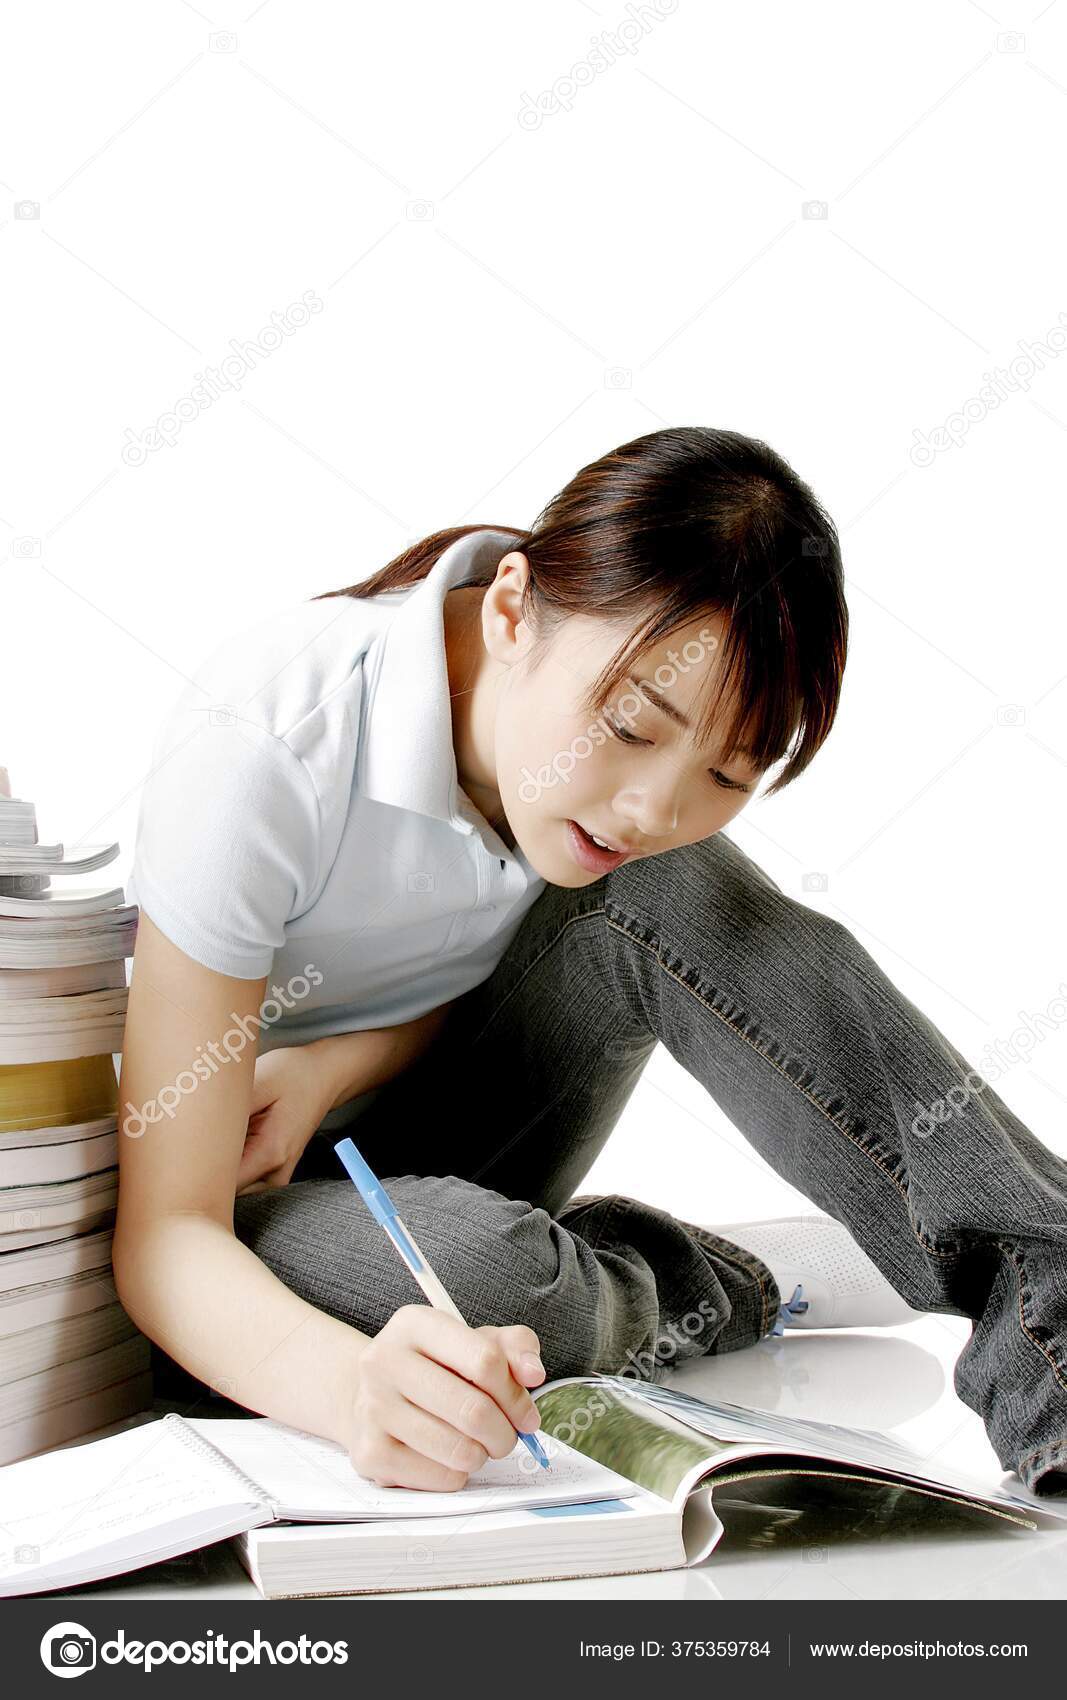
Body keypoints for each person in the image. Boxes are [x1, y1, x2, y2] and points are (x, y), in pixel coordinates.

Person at [114, 426, 1067, 1498]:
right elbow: (163, 1235)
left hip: (411, 1118)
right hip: (231, 1201)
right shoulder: (264, 749)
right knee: (495, 1289)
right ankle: (727, 1278)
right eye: (627, 724)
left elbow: (469, 964)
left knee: (661, 884)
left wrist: (336, 1065)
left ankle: (1051, 1313)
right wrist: (349, 1389)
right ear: (511, 608)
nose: (653, 806)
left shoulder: (593, 804)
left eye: (725, 772)